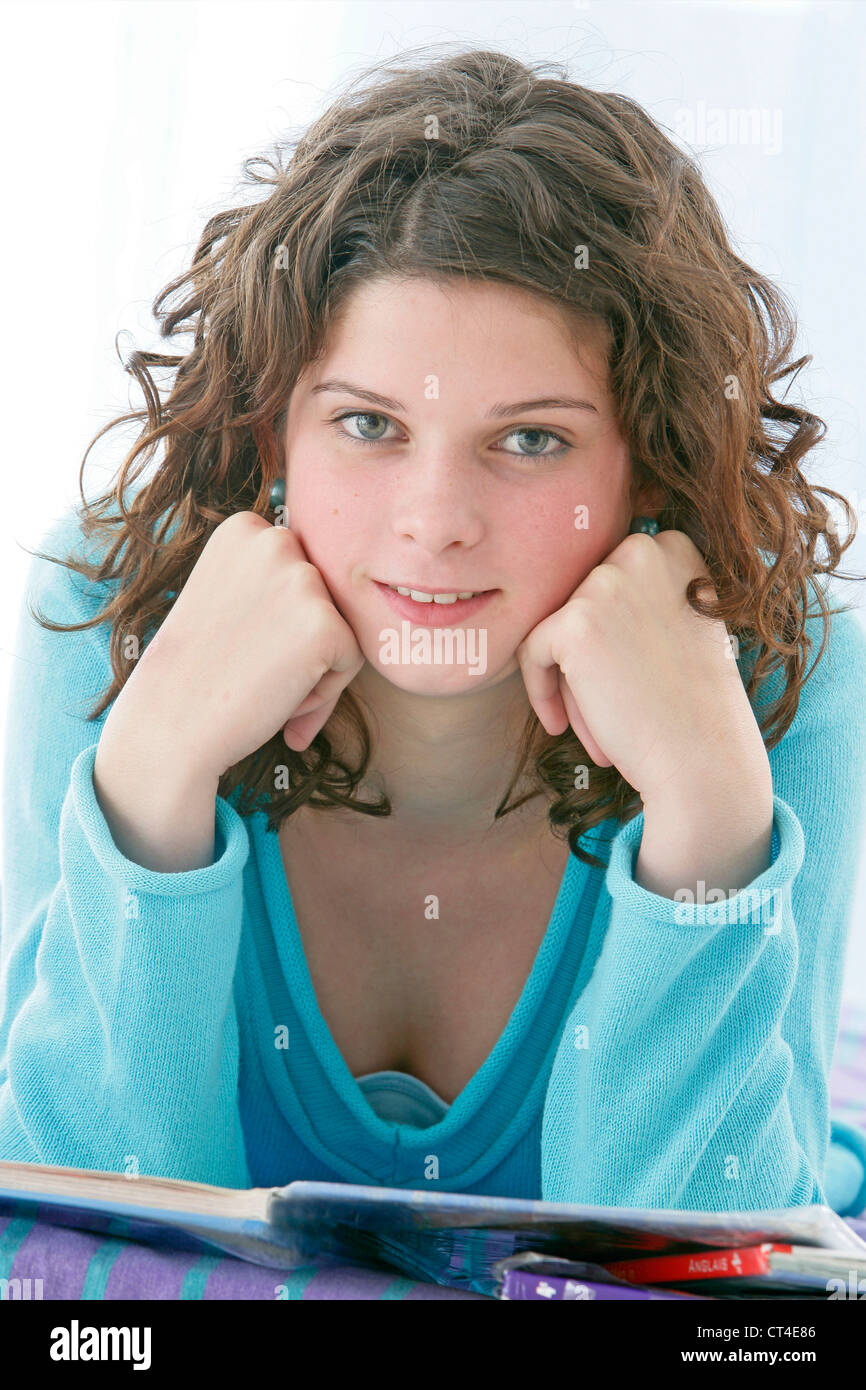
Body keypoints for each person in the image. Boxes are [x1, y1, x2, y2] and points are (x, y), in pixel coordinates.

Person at [1, 46, 865, 1215]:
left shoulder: (775, 658)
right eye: (367, 423)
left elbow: (712, 1267)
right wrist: (152, 782)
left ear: (646, 468)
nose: (434, 525)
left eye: (529, 441)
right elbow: (79, 1223)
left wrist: (710, 823)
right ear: (271, 437)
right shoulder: (108, 600)